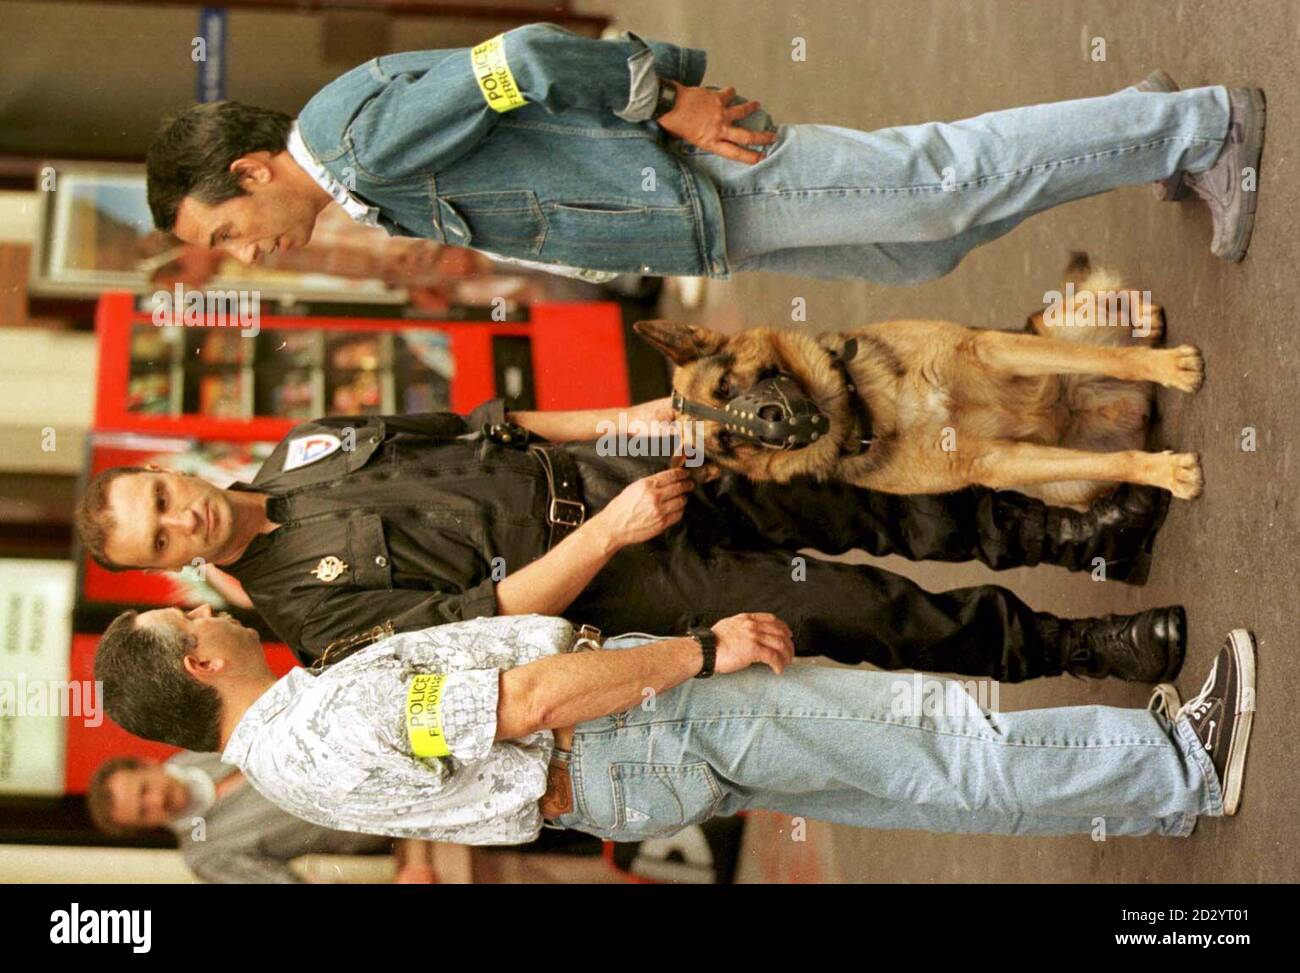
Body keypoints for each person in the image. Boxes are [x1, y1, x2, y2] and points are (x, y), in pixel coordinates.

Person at [75, 398, 1181, 685]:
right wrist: (610, 532)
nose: (182, 515)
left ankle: (1083, 539)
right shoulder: (305, 624)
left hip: (618, 472)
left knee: (862, 503)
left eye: (161, 493)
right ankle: (1085, 651)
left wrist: (641, 419)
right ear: (170, 566)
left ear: (170, 469)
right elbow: (478, 624)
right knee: (860, 611)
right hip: (626, 569)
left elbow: (498, 428)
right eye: (160, 534)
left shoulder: (304, 447)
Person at [143, 24, 1265, 284]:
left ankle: (1199, 126)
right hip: (686, 218)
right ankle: (1130, 125)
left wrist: (667, 98)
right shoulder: (355, 169)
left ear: (246, 175)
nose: (244, 256)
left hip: (687, 174)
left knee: (933, 186)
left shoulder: (357, 144)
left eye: (226, 236)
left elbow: (523, 60)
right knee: (921, 249)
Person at [93, 606, 1257, 844]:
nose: (206, 602)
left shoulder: (283, 769)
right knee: (916, 738)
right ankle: (1174, 760)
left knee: (902, 788)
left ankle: (1133, 790)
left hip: (606, 787)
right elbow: (528, 701)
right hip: (621, 730)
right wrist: (699, 652)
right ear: (201, 662)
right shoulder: (330, 711)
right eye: (186, 613)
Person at [86, 751, 439, 883]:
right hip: (408, 824)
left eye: (145, 789)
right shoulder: (204, 855)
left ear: (147, 764)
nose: (156, 801)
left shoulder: (192, 751)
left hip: (397, 750)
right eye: (144, 812)